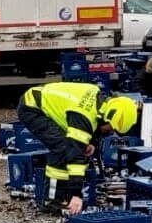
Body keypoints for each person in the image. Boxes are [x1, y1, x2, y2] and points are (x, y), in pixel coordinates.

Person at [14, 80, 139, 214]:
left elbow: (95, 125)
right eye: (111, 128)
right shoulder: (83, 115)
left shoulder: (99, 101)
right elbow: (75, 157)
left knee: (70, 147)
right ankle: (50, 200)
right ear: (108, 117)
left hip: (42, 101)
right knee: (62, 148)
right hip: (31, 108)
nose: (109, 131)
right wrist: (76, 194)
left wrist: (91, 143)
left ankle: (61, 196)